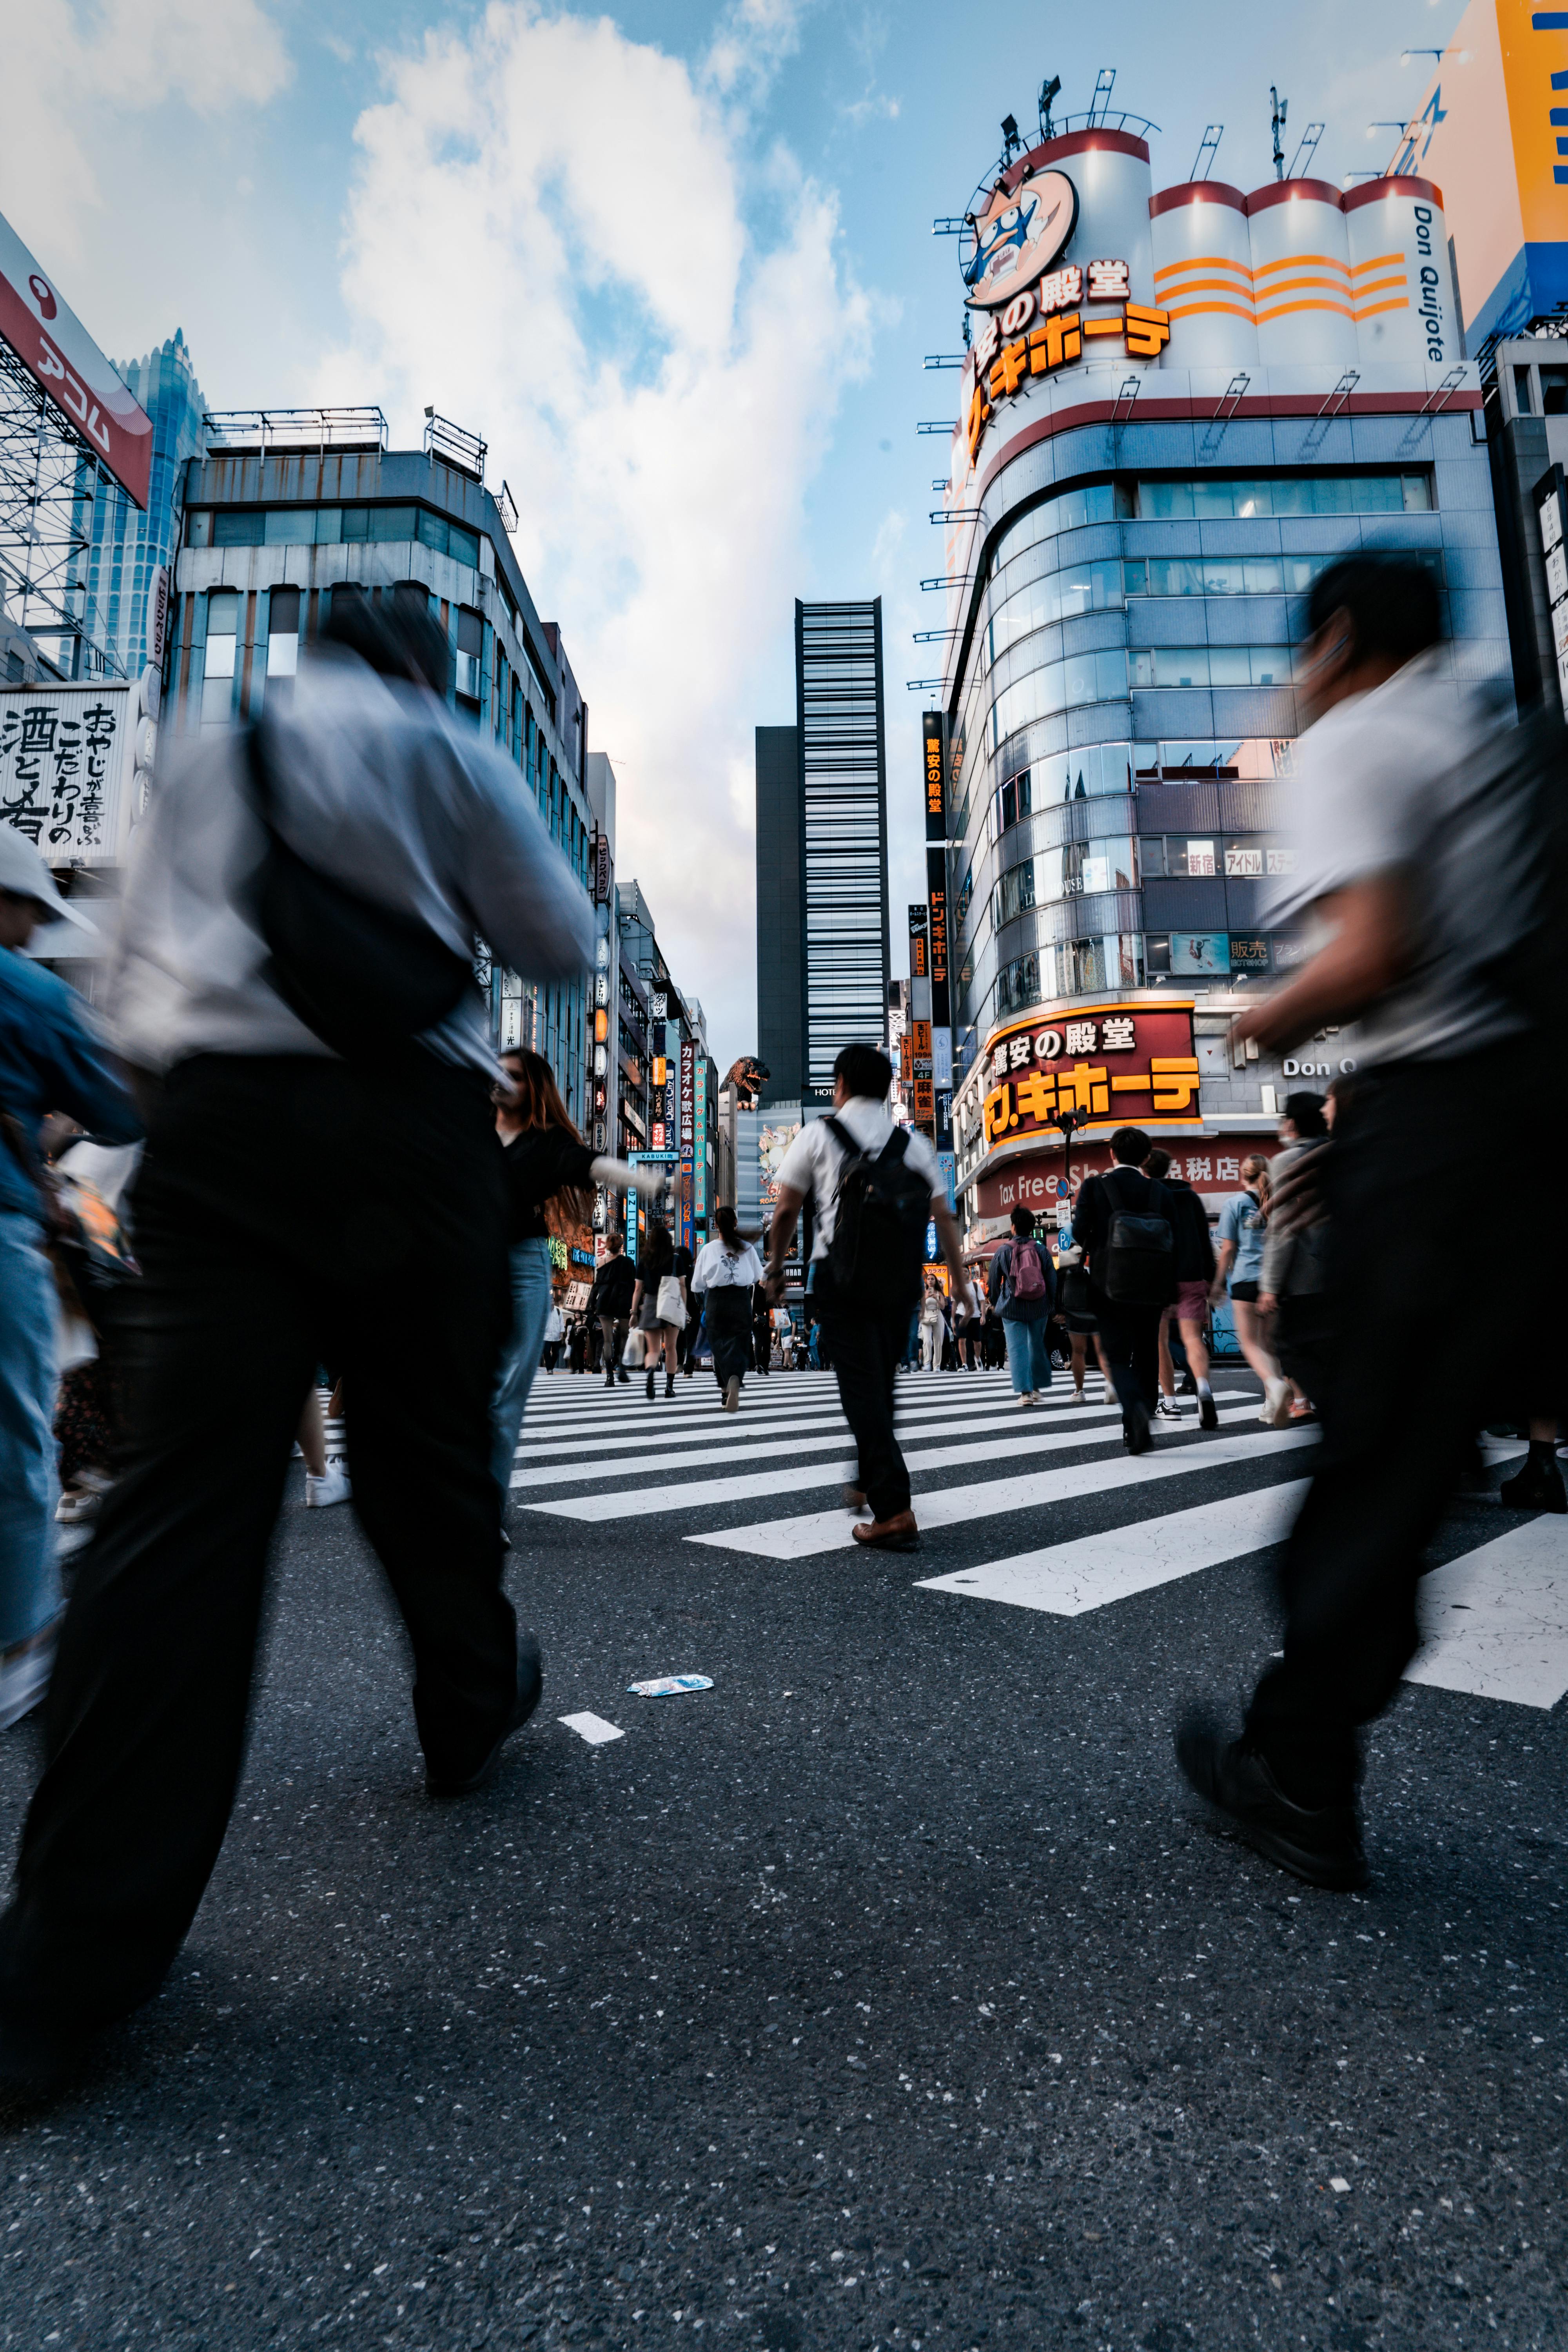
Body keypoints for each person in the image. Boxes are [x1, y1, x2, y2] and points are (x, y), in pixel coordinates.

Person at [0, 592, 597, 2090]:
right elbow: (559, 936)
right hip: (410, 1137)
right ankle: (469, 1701)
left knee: (179, 1511)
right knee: (426, 1463)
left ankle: (61, 1975)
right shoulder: (448, 748)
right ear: (430, 670)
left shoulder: (204, 745)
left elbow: (127, 998)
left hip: (218, 1139)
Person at [1176, 548, 1563, 1892]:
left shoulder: (1354, 739)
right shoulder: (1497, 733)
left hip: (1443, 1127)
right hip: (1540, 1120)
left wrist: (1258, 1022)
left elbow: (1374, 947)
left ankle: (1298, 1769)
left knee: (1387, 1454)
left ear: (1336, 637)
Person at [0, 832, 142, 1731]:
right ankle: (22, 1643)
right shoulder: (30, 991)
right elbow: (119, 1107)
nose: (36, 926)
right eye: (31, 906)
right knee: (16, 1437)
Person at [763, 1044, 975, 1550]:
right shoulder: (913, 1143)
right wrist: (960, 1282)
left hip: (844, 1278)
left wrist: (774, 1266)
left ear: (841, 1083)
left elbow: (788, 1209)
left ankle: (894, 1509)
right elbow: (944, 1218)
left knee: (860, 1388)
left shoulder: (819, 1134)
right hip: (900, 1281)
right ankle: (865, 1477)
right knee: (880, 1382)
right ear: (886, 1090)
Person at [489, 1045, 654, 1492]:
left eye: (516, 1077)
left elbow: (586, 1163)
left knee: (506, 1392)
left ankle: (484, 1507)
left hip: (523, 1262)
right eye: (498, 1073)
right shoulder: (470, 1127)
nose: (502, 1082)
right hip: (465, 1261)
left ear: (534, 1088)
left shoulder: (545, 1142)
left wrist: (641, 1179)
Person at [1069, 1128, 1176, 1455]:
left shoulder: (1095, 1186)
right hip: (1152, 1286)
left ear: (1112, 1154)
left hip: (1108, 1284)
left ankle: (1134, 1411)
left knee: (1115, 1356)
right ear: (1146, 1158)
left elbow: (1079, 1231)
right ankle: (1139, 1423)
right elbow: (1174, 1241)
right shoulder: (1160, 1191)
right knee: (1147, 1352)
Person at [1256, 1093, 1332, 1421]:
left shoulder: (1288, 1161)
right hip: (1343, 1271)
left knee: (1291, 1346)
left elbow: (1282, 1228)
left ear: (1292, 1122)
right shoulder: (1340, 1152)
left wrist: (1270, 1285)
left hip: (1305, 1276)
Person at [1212, 1154, 1292, 1426]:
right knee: (1269, 1345)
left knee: (1249, 1344)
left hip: (1246, 1280)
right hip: (1274, 1282)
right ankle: (1271, 1405)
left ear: (1242, 1175)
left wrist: (1218, 1284)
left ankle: (1275, 1385)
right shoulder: (1276, 1202)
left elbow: (1228, 1251)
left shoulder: (1234, 1204)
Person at [1143, 1147, 1219, 1431]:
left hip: (1158, 1278)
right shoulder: (1190, 1197)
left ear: (1145, 1170)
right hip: (1192, 1275)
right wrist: (1209, 1277)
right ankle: (1203, 1390)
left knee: (1160, 1341)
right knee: (1193, 1338)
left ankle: (1170, 1403)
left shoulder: (1149, 1197)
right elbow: (1203, 1237)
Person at [690, 1205, 763, 1411]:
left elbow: (697, 1285)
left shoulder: (708, 1250)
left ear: (716, 1225)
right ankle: (735, 1377)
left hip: (717, 1301)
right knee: (739, 1343)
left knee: (719, 1344)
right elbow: (759, 1276)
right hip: (740, 1299)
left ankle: (725, 1390)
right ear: (735, 1223)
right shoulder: (747, 1248)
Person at [987, 1203, 1056, 1406]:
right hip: (1039, 1306)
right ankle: (1036, 1388)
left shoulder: (1003, 1251)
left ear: (1013, 1227)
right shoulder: (1041, 1250)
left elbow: (993, 1280)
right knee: (1036, 1345)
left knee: (1017, 1349)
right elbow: (1051, 1278)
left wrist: (996, 1301)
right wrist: (1051, 1303)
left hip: (1012, 1306)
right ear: (1032, 1228)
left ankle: (1025, 1393)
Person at [629, 1215, 686, 1399]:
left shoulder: (644, 1260)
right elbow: (683, 1285)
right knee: (671, 1348)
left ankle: (651, 1373)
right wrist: (683, 1308)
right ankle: (669, 1388)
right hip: (671, 1302)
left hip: (651, 1303)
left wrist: (633, 1312)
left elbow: (638, 1289)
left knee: (653, 1350)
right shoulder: (676, 1259)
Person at [588, 1232, 637, 1388]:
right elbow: (634, 1283)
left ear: (608, 1246)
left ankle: (610, 1377)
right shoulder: (629, 1262)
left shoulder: (602, 1262)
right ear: (621, 1245)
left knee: (607, 1340)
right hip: (623, 1301)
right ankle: (622, 1367)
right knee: (624, 1336)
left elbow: (597, 1285)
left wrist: (592, 1304)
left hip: (605, 1301)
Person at [916, 1277, 947, 1373]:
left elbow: (943, 1307)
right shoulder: (924, 1293)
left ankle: (937, 1366)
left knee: (938, 1342)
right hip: (926, 1316)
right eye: (929, 1279)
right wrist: (926, 1298)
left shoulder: (940, 1292)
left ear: (935, 1281)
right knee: (927, 1341)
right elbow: (921, 1306)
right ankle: (927, 1363)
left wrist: (936, 1299)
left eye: (933, 1279)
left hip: (938, 1316)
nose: (930, 1281)